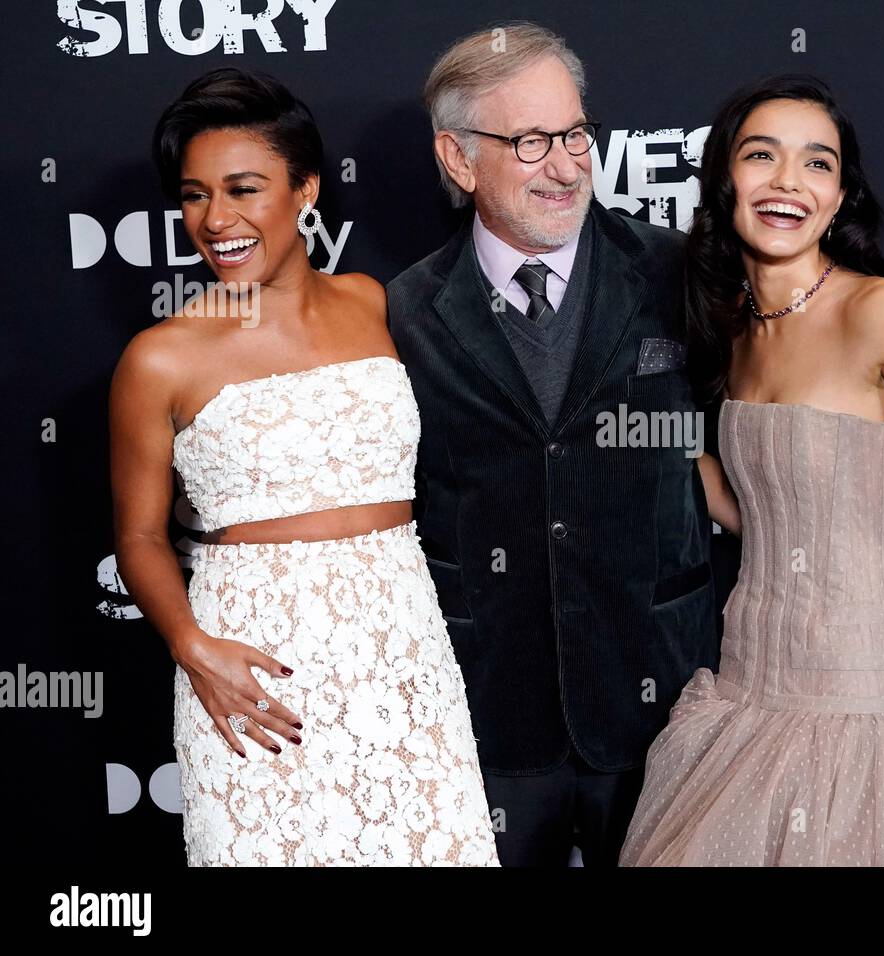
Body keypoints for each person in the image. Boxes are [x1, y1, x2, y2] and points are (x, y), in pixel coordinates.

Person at [619, 74, 884, 866]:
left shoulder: (880, 309)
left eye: (817, 164)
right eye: (761, 156)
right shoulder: (735, 324)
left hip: (859, 703)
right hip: (744, 695)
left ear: (842, 195)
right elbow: (764, 514)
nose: (787, 182)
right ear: (724, 179)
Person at [109, 67, 498, 866]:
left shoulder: (373, 302)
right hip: (253, 677)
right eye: (193, 196)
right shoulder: (160, 358)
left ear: (306, 189)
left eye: (244, 189)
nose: (217, 220)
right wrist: (191, 645)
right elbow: (141, 538)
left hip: (400, 658)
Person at [386, 23, 717, 866]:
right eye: (530, 143)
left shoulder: (680, 274)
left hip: (659, 695)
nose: (568, 166)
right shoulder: (403, 313)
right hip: (485, 706)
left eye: (574, 134)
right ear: (459, 161)